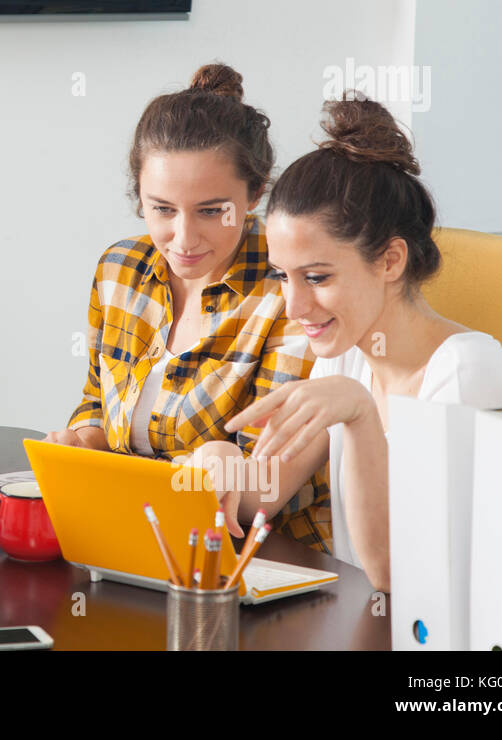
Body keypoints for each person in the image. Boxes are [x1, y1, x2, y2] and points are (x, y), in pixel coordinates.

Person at [196, 93, 502, 592]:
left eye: (316, 277)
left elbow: (398, 577)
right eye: (283, 276)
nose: (293, 307)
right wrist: (221, 459)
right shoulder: (350, 360)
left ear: (389, 261)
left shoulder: (466, 378)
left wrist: (359, 419)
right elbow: (259, 499)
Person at [45, 64, 330, 551]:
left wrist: (225, 457)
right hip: (132, 534)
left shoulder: (289, 288)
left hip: (255, 557)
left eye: (210, 211)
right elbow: (97, 400)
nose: (183, 239)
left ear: (255, 193)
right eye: (162, 209)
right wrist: (82, 443)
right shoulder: (121, 268)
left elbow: (268, 482)